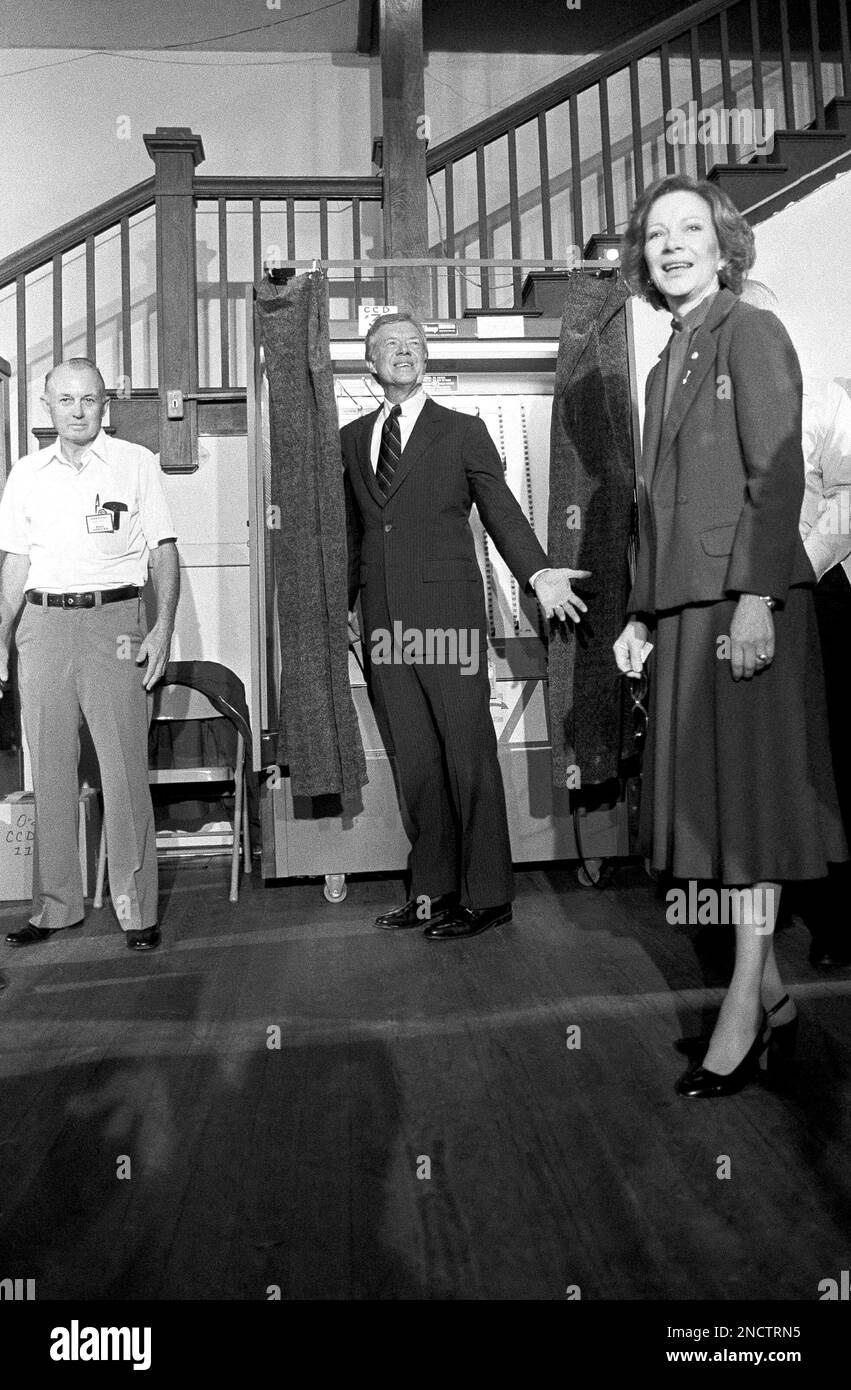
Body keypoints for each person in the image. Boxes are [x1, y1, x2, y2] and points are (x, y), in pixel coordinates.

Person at [614, 175, 846, 1098]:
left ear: (722, 248)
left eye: (688, 231)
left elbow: (776, 472)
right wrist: (637, 612)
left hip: (743, 609)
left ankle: (744, 1009)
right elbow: (651, 511)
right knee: (708, 813)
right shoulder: (665, 359)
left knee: (745, 817)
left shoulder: (748, 331)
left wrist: (755, 598)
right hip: (681, 612)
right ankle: (776, 999)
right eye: (655, 234)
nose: (669, 245)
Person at [343, 313, 589, 940]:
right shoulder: (351, 439)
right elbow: (351, 531)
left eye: (414, 344)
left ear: (426, 359)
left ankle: (488, 893)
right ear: (371, 363)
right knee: (417, 760)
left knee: (467, 751)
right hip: (382, 625)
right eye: (390, 346)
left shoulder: (462, 431)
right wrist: (345, 604)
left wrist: (538, 575)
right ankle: (432, 892)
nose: (404, 352)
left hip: (448, 617)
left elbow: (501, 511)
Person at [0, 358, 179, 952]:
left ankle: (136, 909)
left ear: (106, 405)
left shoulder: (136, 464)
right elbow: (17, 563)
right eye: (66, 400)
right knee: (48, 767)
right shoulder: (25, 474)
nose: (78, 410)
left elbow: (163, 552)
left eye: (90, 399)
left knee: (123, 769)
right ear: (47, 406)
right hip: (43, 625)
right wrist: (1, 636)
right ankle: (56, 907)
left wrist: (162, 628)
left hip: (116, 622)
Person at [740, 280, 851, 968]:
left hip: (817, 594)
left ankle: (838, 921)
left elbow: (850, 490)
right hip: (737, 606)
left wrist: (797, 568)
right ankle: (759, 924)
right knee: (758, 762)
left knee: (827, 758)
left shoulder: (824, 398)